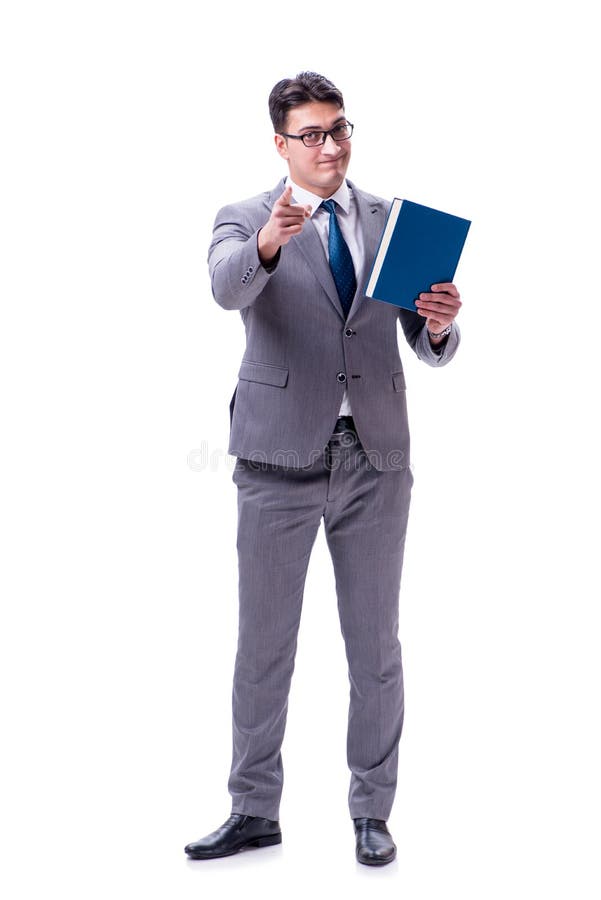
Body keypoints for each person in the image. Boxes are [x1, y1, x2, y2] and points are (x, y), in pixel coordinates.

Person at [185, 71, 462, 867]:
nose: (331, 145)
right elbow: (224, 288)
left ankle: (372, 813)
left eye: (339, 129)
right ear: (281, 144)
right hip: (276, 460)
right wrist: (272, 240)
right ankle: (252, 810)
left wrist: (440, 325)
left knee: (375, 645)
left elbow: (424, 340)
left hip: (375, 458)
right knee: (263, 646)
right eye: (312, 134)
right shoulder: (242, 217)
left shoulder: (389, 220)